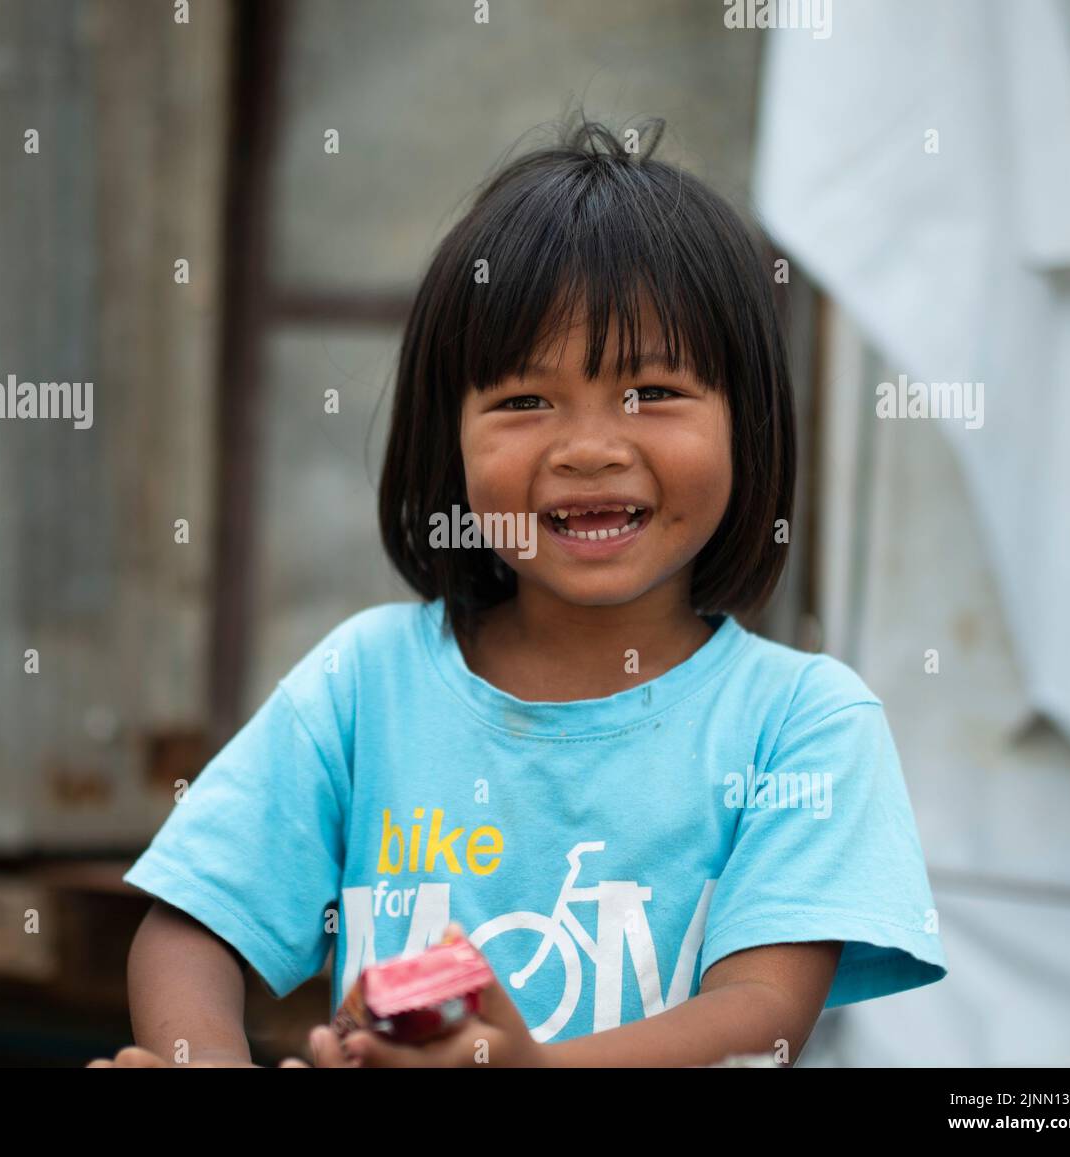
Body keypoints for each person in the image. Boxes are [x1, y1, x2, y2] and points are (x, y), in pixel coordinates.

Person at [88, 113, 946, 1070]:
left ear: (749, 424)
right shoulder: (363, 684)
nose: (588, 447)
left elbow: (764, 1011)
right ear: (446, 441)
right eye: (524, 402)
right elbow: (193, 925)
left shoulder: (802, 723)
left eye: (652, 392)